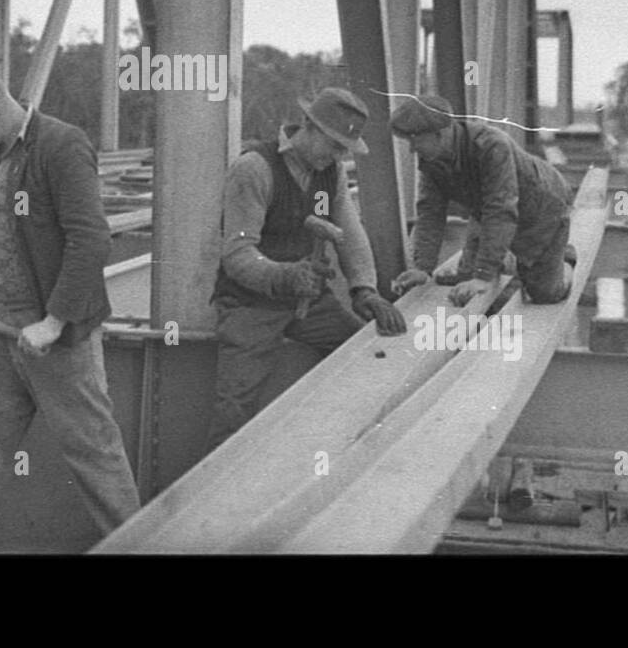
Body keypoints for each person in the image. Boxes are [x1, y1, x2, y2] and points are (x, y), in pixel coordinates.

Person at [0, 66, 140, 551]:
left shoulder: (61, 146)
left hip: (53, 333)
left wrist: (55, 322)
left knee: (93, 450)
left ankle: (136, 546)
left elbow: (90, 240)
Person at [206, 87, 407, 451]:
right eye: (335, 145)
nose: (339, 155)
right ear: (309, 128)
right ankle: (216, 493)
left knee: (362, 358)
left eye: (345, 149)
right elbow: (237, 254)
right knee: (234, 409)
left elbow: (350, 233)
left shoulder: (329, 173)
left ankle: (334, 453)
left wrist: (365, 289)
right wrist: (282, 276)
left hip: (308, 303)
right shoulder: (255, 169)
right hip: (252, 305)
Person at [388, 94, 576, 308]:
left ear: (439, 133)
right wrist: (422, 268)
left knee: (544, 293)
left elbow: (501, 211)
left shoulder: (491, 145)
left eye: (415, 140)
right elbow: (430, 213)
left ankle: (566, 257)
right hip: (488, 212)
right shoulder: (432, 159)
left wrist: (483, 276)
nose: (412, 149)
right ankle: (504, 256)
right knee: (466, 277)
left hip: (543, 209)